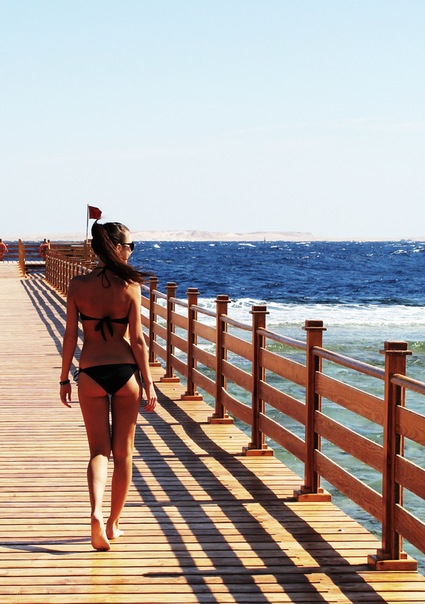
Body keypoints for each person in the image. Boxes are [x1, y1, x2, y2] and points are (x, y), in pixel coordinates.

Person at [59, 221, 157, 551]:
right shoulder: (130, 286)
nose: (131, 251)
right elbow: (138, 341)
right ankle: (113, 524)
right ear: (116, 247)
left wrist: (64, 378)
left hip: (90, 373)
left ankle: (96, 512)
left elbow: (70, 336)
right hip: (125, 373)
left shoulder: (77, 285)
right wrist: (149, 382)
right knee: (124, 453)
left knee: (98, 451)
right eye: (129, 246)